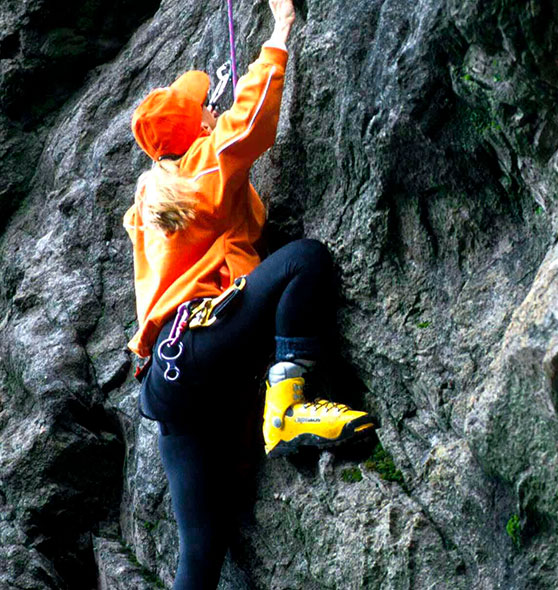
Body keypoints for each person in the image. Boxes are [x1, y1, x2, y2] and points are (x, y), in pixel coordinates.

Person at [122, 0, 376, 587]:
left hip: (167, 381)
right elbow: (252, 121)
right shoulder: (202, 167)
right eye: (202, 108)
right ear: (196, 130)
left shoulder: (149, 202)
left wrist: (210, 129)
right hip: (202, 340)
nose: (210, 107)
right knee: (305, 260)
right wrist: (281, 26)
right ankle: (285, 408)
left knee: (201, 549)